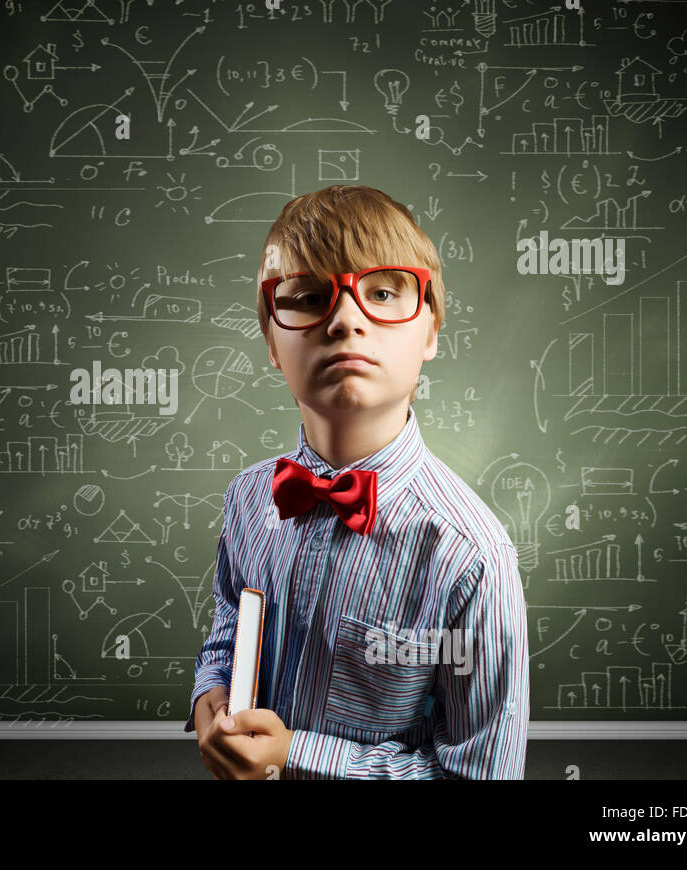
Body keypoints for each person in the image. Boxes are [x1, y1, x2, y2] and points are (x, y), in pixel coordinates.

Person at [184, 185, 529, 779]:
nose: (345, 320)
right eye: (311, 297)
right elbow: (229, 618)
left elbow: (480, 774)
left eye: (385, 292)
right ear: (272, 340)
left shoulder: (469, 556)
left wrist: (297, 757)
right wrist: (209, 692)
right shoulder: (247, 499)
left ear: (430, 334)